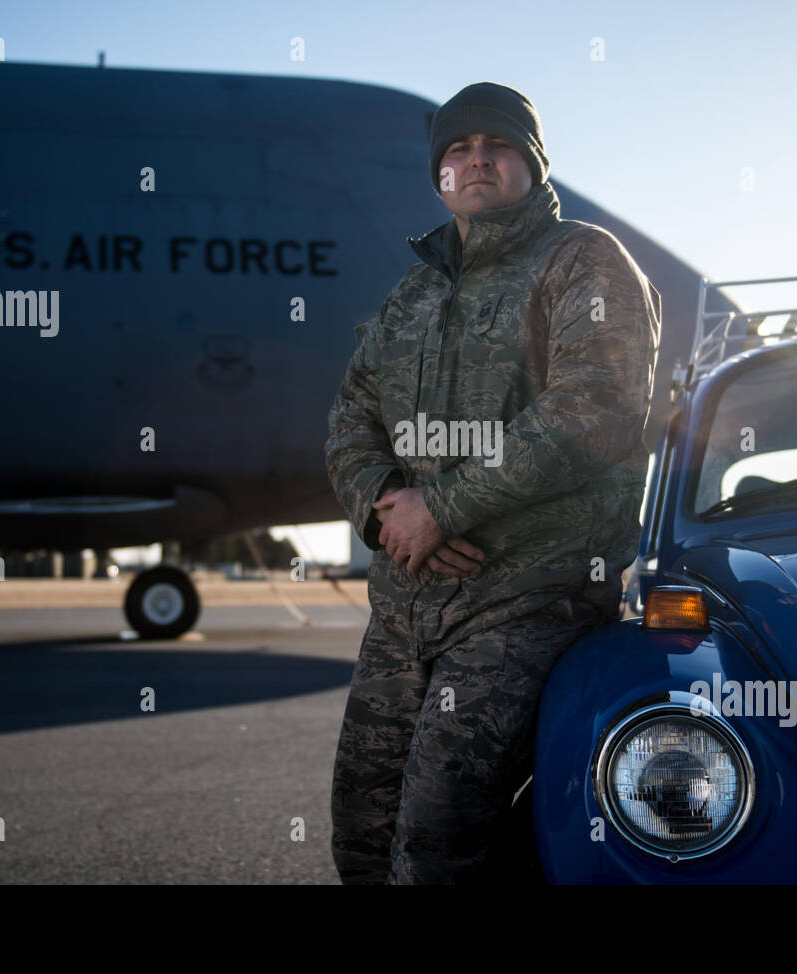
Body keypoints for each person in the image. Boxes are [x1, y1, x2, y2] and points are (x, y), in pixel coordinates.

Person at [324, 81, 660, 884]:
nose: (475, 159)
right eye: (456, 150)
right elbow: (350, 416)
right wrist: (387, 512)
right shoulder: (415, 290)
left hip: (526, 602)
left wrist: (441, 508)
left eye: (496, 146)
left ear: (531, 163)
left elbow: (596, 408)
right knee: (361, 837)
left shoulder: (582, 258)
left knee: (441, 841)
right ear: (438, 173)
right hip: (404, 607)